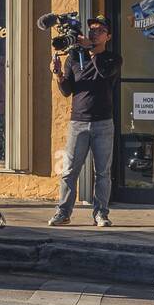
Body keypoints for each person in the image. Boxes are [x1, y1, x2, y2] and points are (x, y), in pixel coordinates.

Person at [49, 15, 122, 227]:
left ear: (108, 36)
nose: (94, 33)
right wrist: (57, 75)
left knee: (102, 172)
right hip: (78, 123)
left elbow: (104, 72)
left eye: (99, 30)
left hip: (103, 123)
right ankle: (63, 213)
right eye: (92, 30)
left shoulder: (112, 59)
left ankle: (101, 214)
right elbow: (67, 91)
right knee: (70, 171)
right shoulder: (74, 57)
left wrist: (91, 50)